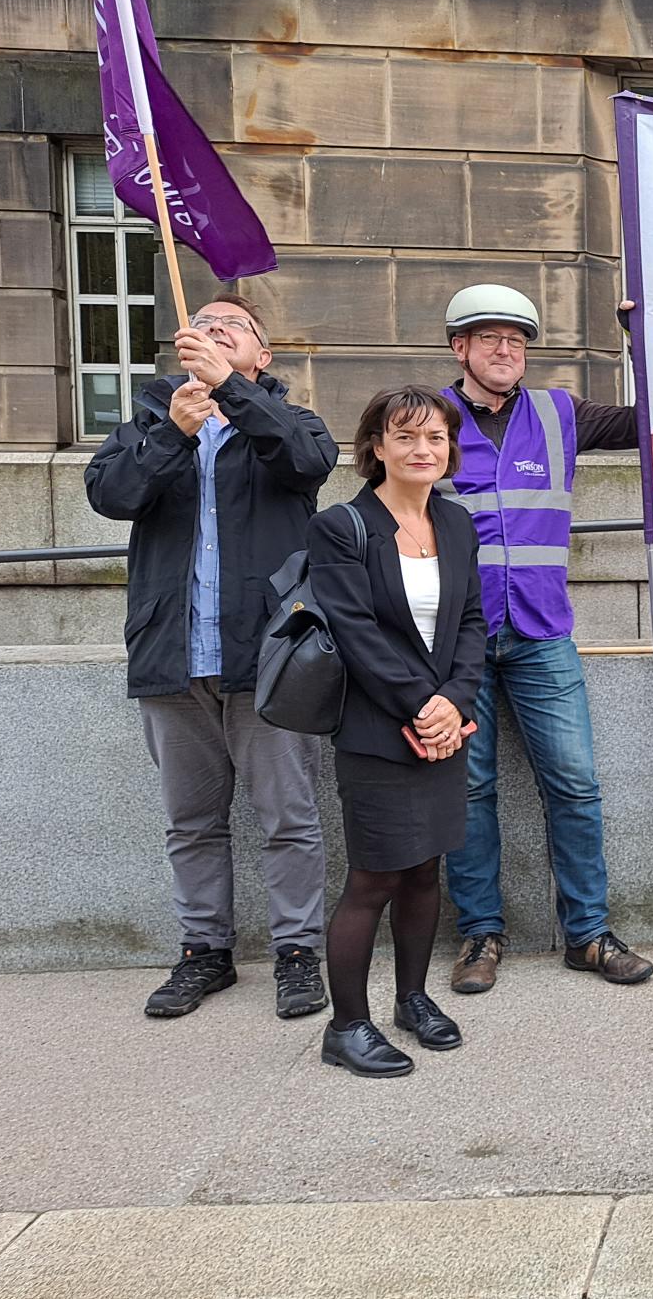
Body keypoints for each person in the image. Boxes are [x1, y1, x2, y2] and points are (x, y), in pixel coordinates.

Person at [84, 292, 337, 1021]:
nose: (213, 330)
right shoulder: (153, 420)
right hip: (172, 654)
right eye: (202, 325)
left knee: (289, 817)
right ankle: (205, 953)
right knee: (191, 821)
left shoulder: (289, 420)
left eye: (232, 326)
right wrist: (172, 433)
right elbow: (110, 495)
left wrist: (231, 391)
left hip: (266, 660)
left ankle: (296, 953)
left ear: (262, 354)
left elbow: (307, 462)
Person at [436, 284, 653, 993]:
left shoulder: (562, 414)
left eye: (518, 340)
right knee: (468, 794)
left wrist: (643, 339)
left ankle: (588, 935)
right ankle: (480, 936)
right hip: (455, 642)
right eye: (490, 338)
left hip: (539, 633)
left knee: (577, 786)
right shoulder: (426, 420)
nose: (505, 350)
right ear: (459, 348)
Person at [306, 387, 487, 1078]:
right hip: (377, 729)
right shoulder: (341, 527)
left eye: (436, 438)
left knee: (424, 871)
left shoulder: (458, 524)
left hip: (444, 725)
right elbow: (354, 632)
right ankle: (347, 1025)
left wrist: (454, 699)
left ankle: (412, 999)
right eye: (406, 437)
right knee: (373, 879)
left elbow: (471, 622)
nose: (423, 451)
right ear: (376, 446)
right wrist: (421, 704)